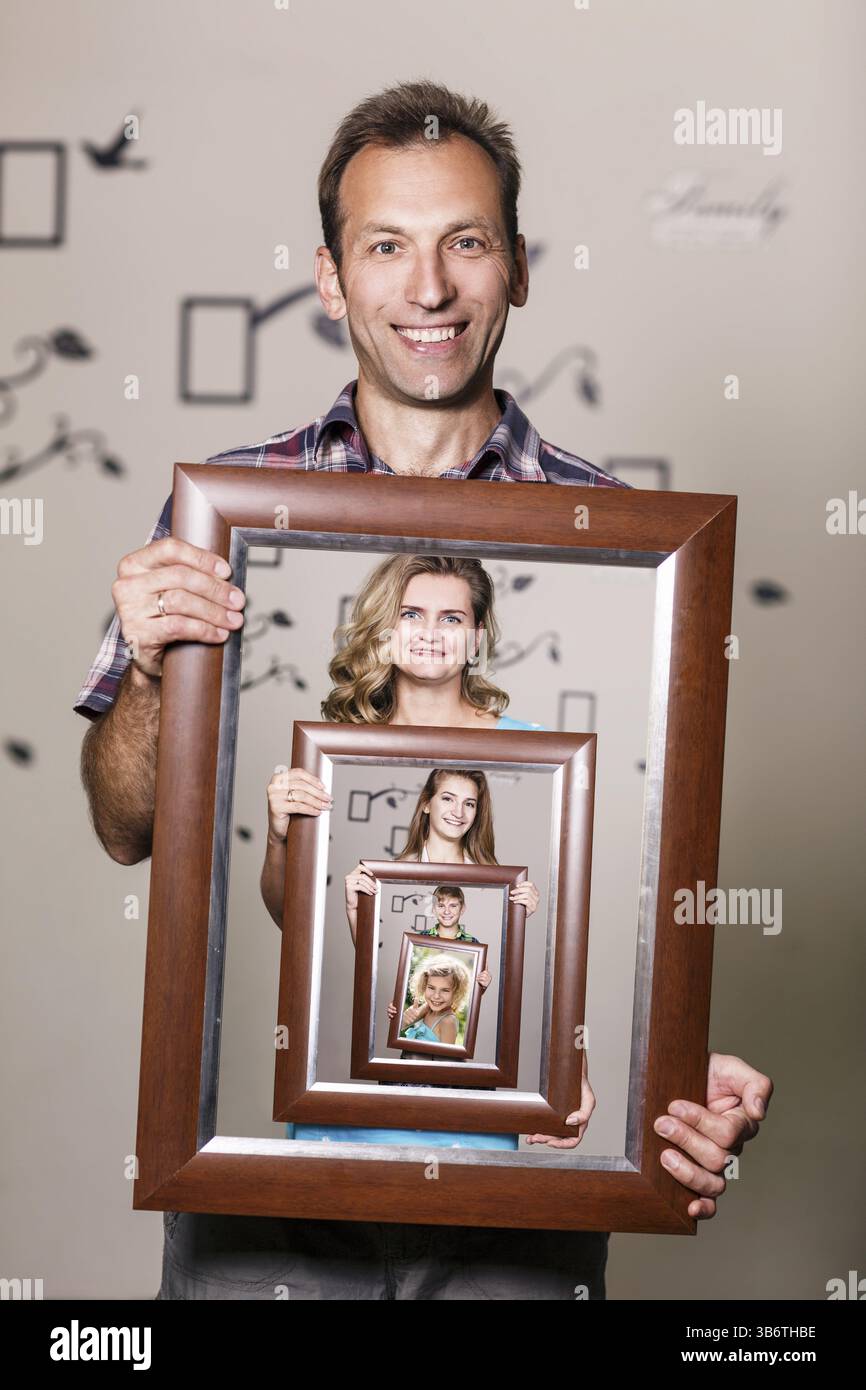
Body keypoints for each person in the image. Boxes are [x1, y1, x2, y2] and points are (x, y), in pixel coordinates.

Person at [75, 78, 772, 1299]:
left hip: (526, 1186)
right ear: (330, 277)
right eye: (385, 246)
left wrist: (666, 1069)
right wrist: (146, 669)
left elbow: (613, 882)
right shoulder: (228, 513)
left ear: (517, 264)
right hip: (270, 1187)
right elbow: (125, 827)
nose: (429, 287)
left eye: (466, 242)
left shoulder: (620, 538)